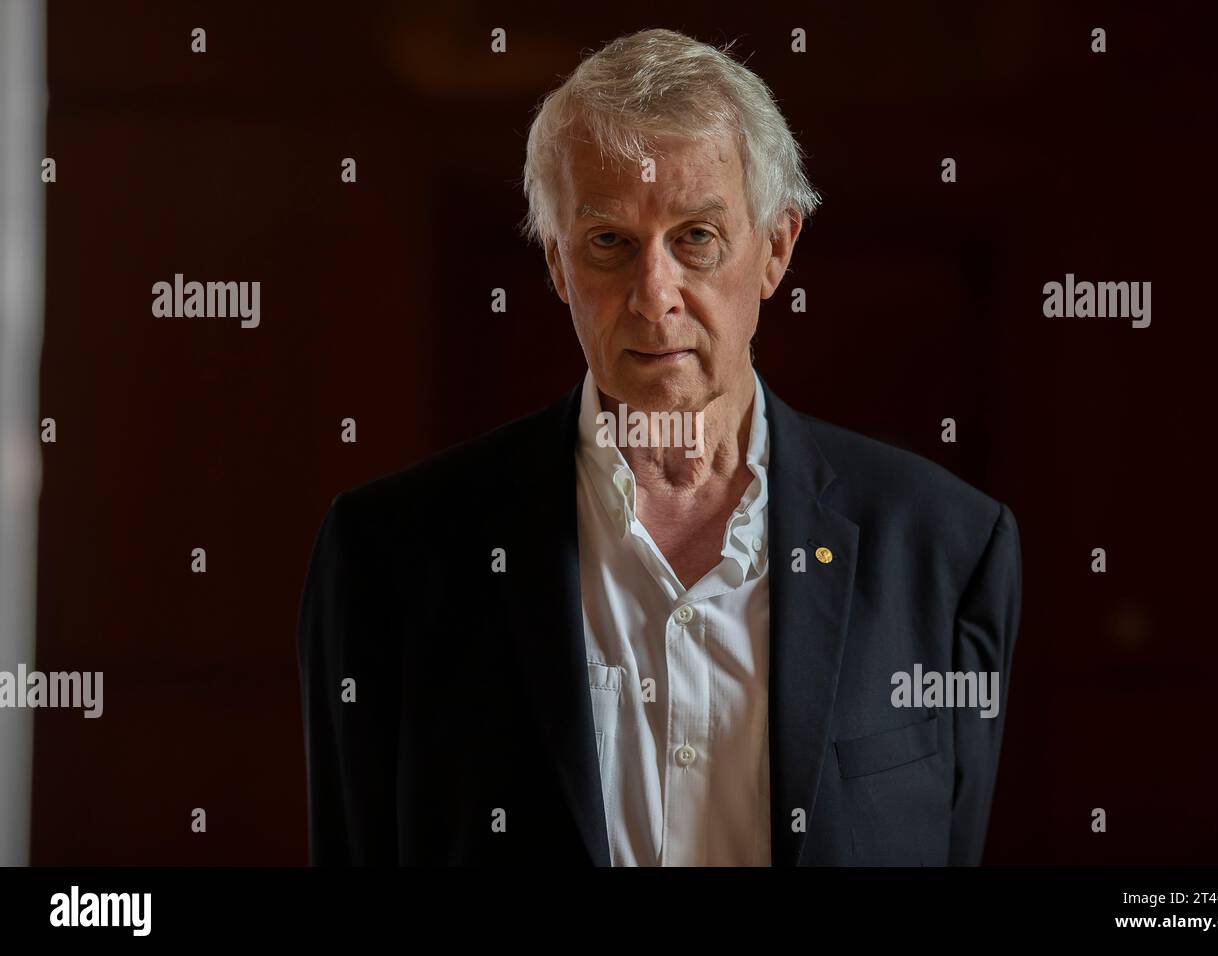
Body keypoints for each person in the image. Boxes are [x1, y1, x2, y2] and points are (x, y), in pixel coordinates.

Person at [297, 27, 1021, 866]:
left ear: (776, 248)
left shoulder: (948, 545)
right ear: (559, 264)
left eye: (696, 238)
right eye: (609, 241)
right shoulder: (390, 554)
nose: (654, 295)